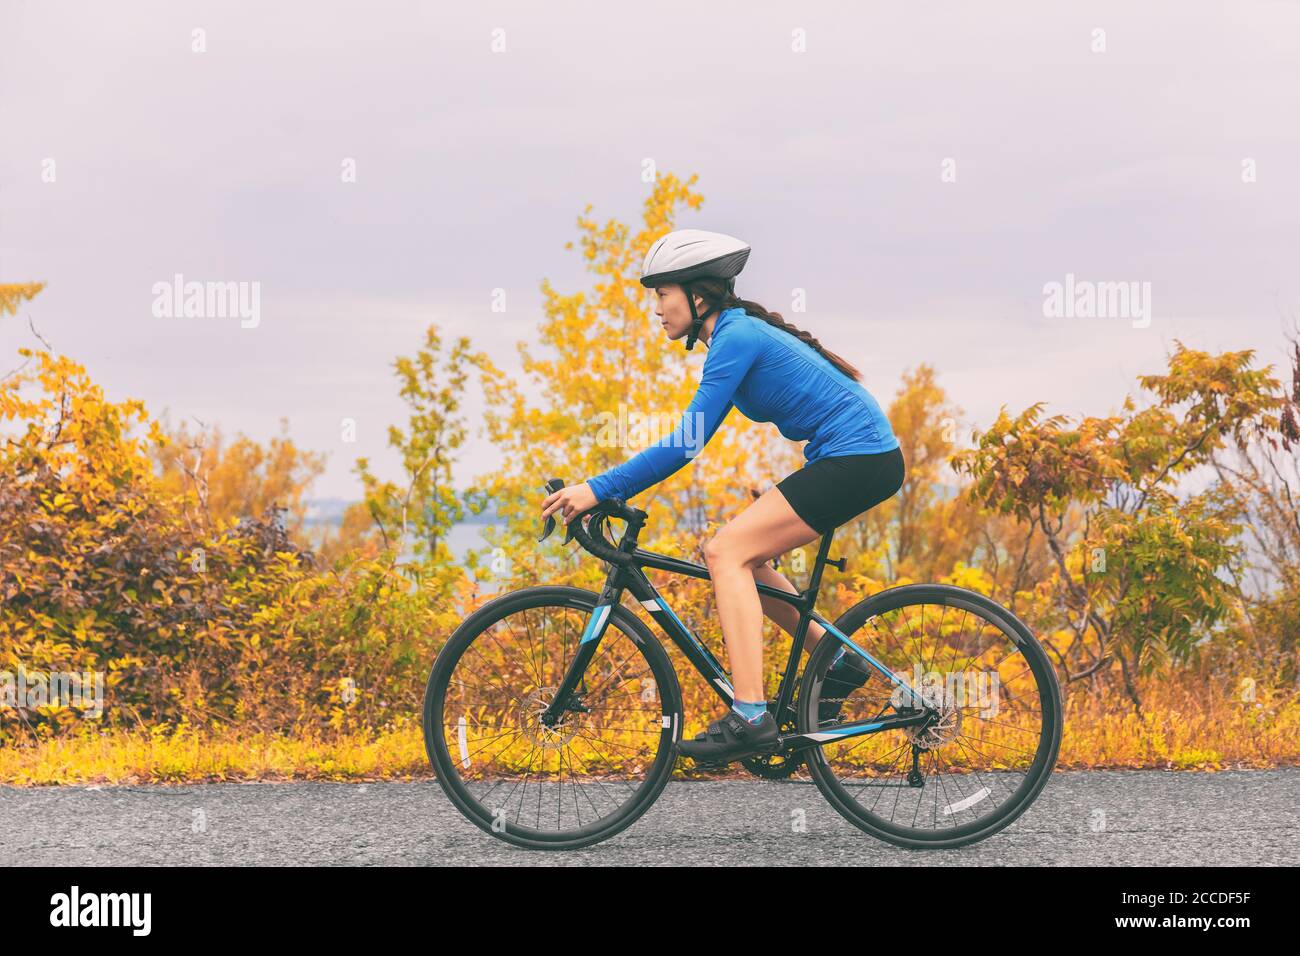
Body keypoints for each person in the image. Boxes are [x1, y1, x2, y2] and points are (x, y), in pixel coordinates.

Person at [540, 228, 905, 764]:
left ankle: (751, 714)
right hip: (853, 459)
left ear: (698, 295)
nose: (657, 309)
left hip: (859, 459)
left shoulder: (737, 338)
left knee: (724, 552)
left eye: (662, 294)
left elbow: (684, 444)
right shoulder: (733, 337)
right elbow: (693, 440)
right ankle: (837, 663)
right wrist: (606, 487)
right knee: (745, 557)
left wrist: (597, 488)